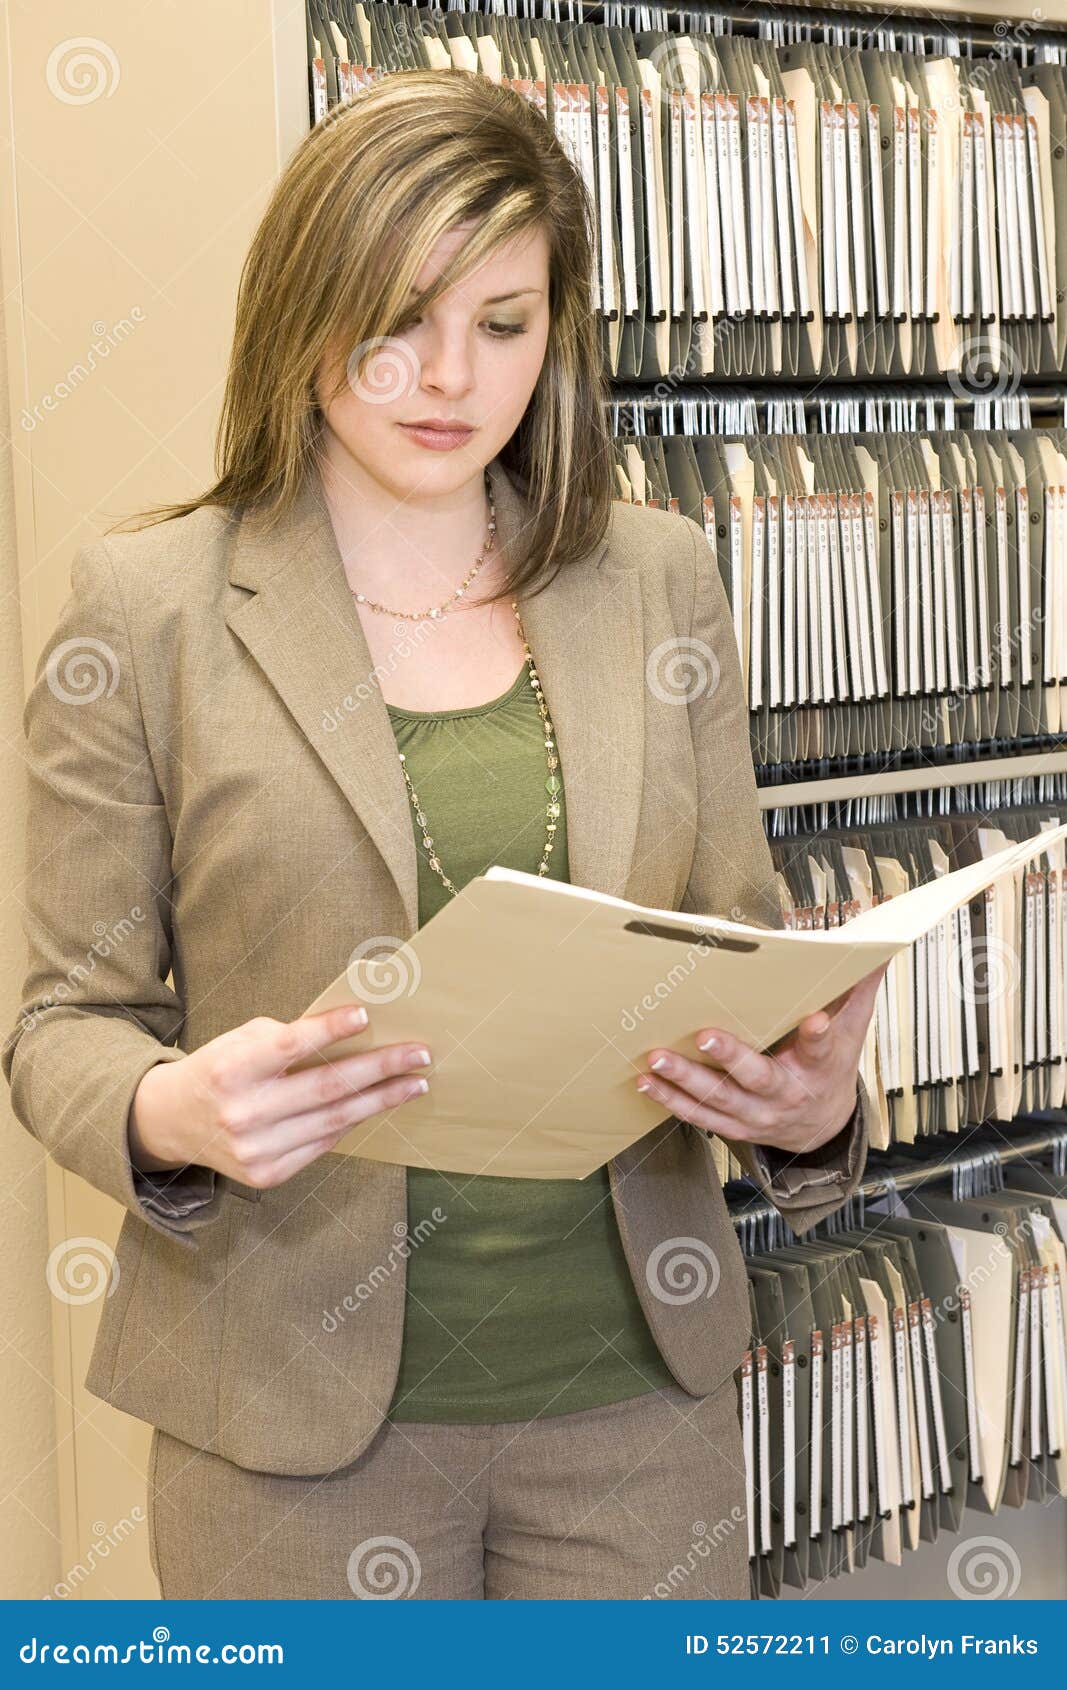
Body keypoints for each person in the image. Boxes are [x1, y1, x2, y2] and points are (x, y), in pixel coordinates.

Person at [3, 68, 880, 1600]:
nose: (446, 376)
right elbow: (62, 1021)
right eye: (397, 316)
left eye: (504, 322)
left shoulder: (659, 579)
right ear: (308, 308)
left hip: (633, 1413)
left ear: (559, 335)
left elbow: (734, 951)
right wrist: (170, 1112)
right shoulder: (147, 608)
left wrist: (802, 1105)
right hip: (285, 1423)